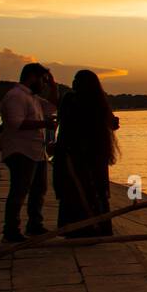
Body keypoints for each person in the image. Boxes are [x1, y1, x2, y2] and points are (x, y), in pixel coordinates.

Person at [53, 69, 120, 238]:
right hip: (83, 154)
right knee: (86, 190)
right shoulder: (95, 101)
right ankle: (95, 228)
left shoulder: (76, 100)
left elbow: (65, 125)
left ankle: (84, 229)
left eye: (76, 79)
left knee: (84, 189)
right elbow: (112, 124)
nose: (73, 82)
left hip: (82, 155)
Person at [0, 63, 57, 242]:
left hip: (36, 152)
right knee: (19, 191)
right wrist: (44, 124)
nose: (44, 84)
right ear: (32, 77)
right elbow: (16, 122)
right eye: (42, 80)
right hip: (20, 151)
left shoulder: (34, 98)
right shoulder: (16, 96)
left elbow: (53, 106)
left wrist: (53, 86)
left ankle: (34, 224)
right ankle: (11, 231)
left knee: (39, 189)